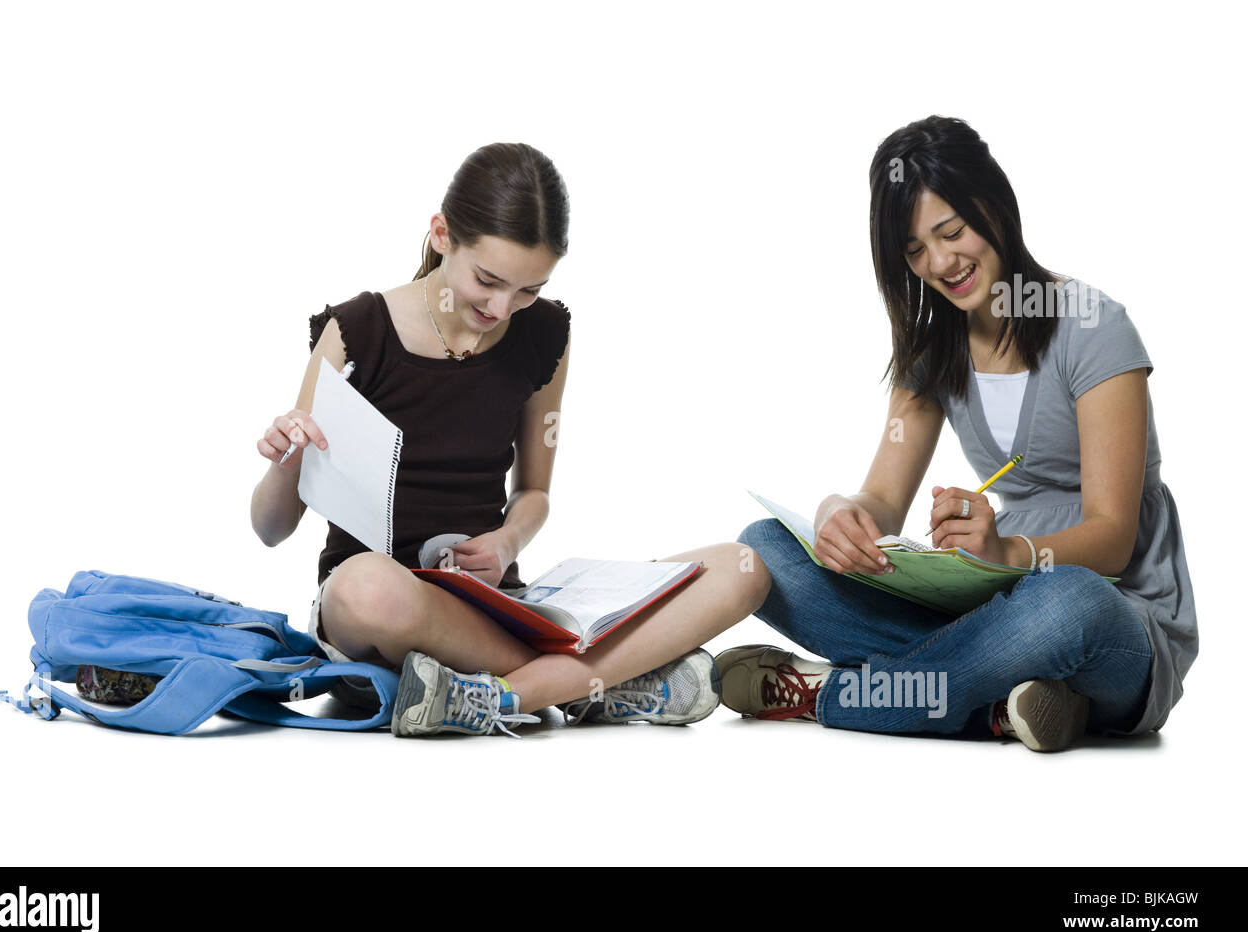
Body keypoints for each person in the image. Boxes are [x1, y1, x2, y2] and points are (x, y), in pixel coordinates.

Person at [250, 142, 767, 737]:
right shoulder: (357, 331)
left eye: (528, 290)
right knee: (365, 588)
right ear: (442, 234)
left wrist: (506, 542)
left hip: (499, 610)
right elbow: (270, 529)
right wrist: (287, 460)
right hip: (382, 616)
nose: (502, 308)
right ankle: (597, 683)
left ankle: (501, 693)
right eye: (488, 281)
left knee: (743, 569)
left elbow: (534, 493)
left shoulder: (543, 332)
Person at [725, 116, 1197, 752]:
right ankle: (1006, 702)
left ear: (994, 205)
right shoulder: (933, 351)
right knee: (766, 550)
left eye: (952, 232)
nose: (941, 263)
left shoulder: (1093, 327)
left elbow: (1113, 539)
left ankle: (831, 694)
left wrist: (1006, 552)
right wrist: (841, 514)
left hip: (1115, 614)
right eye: (915, 250)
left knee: (1067, 604)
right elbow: (882, 501)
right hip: (993, 610)